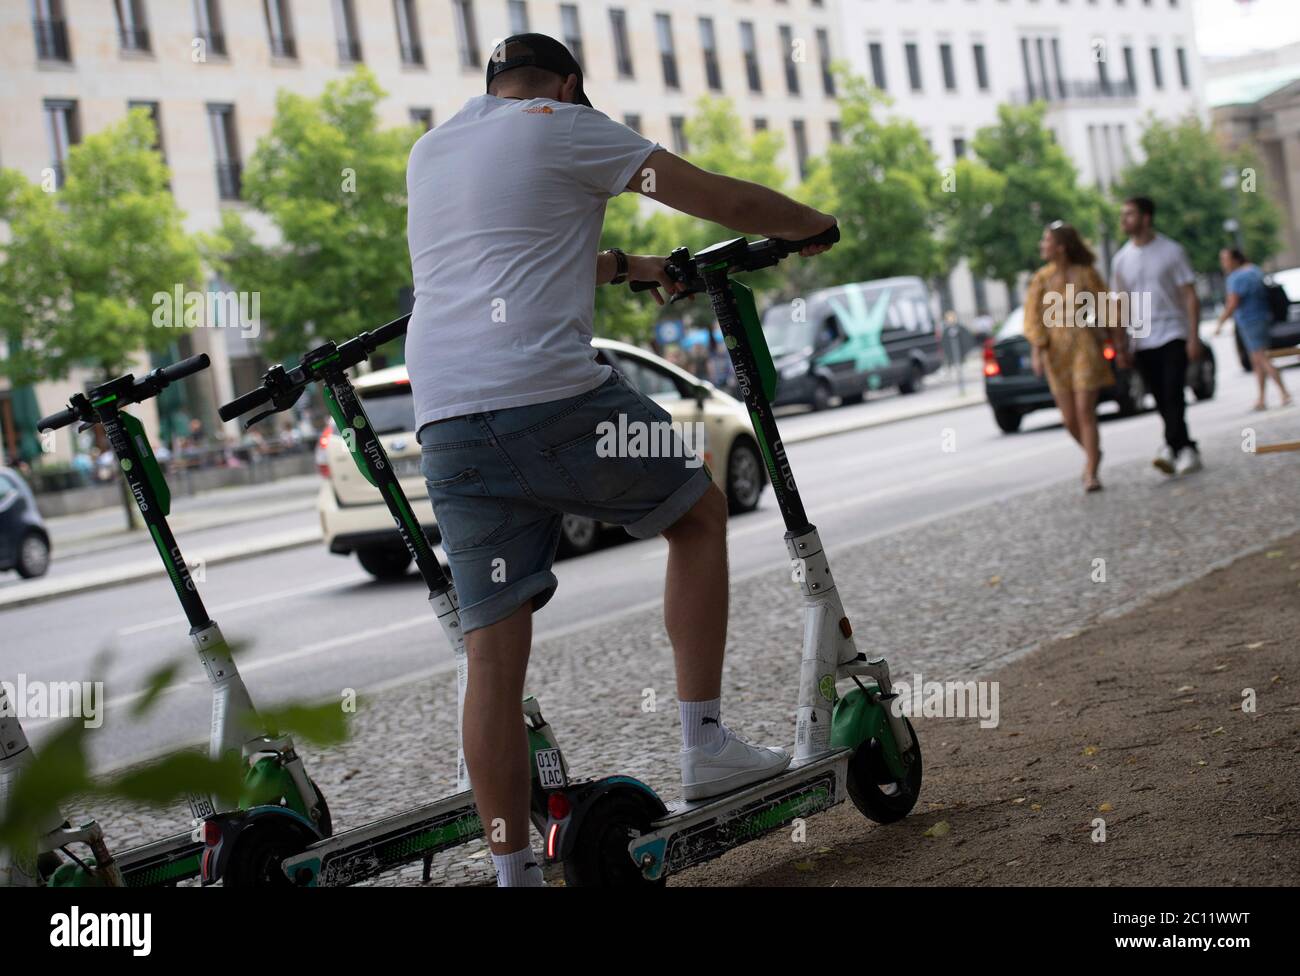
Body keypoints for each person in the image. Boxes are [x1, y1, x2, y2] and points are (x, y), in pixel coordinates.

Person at [404, 33, 837, 887]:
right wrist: (808, 224)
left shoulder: (434, 148)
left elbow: (517, 246)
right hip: (550, 399)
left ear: (489, 84)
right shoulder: (564, 123)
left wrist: (628, 268)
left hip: (446, 419)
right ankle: (704, 744)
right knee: (699, 512)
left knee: (492, 660)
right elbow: (713, 199)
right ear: (568, 85)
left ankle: (515, 875)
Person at [1023, 221, 1122, 492]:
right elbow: (1032, 318)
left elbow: (1107, 307)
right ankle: (1094, 453)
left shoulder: (1086, 274)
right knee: (1068, 418)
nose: (1042, 246)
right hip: (1055, 353)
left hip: (1084, 347)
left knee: (1085, 411)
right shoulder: (1041, 279)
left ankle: (1091, 471)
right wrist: (1037, 349)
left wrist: (1119, 343)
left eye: (1046, 241)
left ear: (1061, 247)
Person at [1110, 196, 1203, 476]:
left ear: (1146, 217)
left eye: (1130, 214)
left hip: (1173, 332)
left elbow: (1189, 295)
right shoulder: (1121, 259)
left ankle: (1170, 446)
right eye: (1123, 214)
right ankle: (1184, 447)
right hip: (1141, 338)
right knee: (1161, 397)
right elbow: (1119, 304)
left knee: (1173, 391)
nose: (1124, 219)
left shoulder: (1172, 251)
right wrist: (1121, 345)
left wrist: (1193, 336)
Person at [1215, 248, 1291, 410]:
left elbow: (1233, 303)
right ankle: (1261, 398)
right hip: (1263, 317)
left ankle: (1284, 392)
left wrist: (1220, 323)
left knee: (1262, 358)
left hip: (1249, 321)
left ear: (1235, 259)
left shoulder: (1236, 277)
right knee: (1257, 361)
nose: (1223, 263)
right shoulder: (1254, 270)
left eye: (1225, 259)